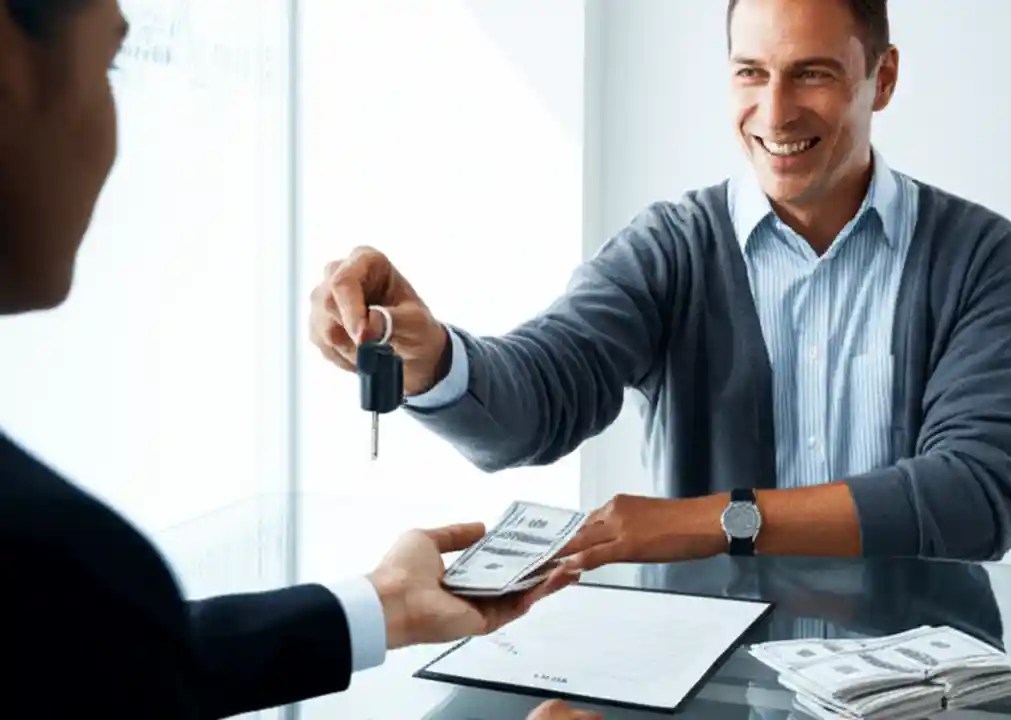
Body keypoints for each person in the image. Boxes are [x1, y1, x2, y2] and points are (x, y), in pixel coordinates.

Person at [0, 1, 596, 718]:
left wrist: (386, 605)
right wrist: (437, 359)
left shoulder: (57, 575)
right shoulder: (55, 558)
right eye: (109, 64)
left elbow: (91, 661)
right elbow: (106, 655)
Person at [310, 0, 1011, 569]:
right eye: (751, 73)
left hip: (920, 686)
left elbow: (979, 494)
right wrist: (434, 360)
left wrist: (709, 522)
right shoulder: (671, 249)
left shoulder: (981, 257)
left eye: (813, 73)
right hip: (714, 678)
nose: (775, 110)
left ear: (881, 78)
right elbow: (540, 396)